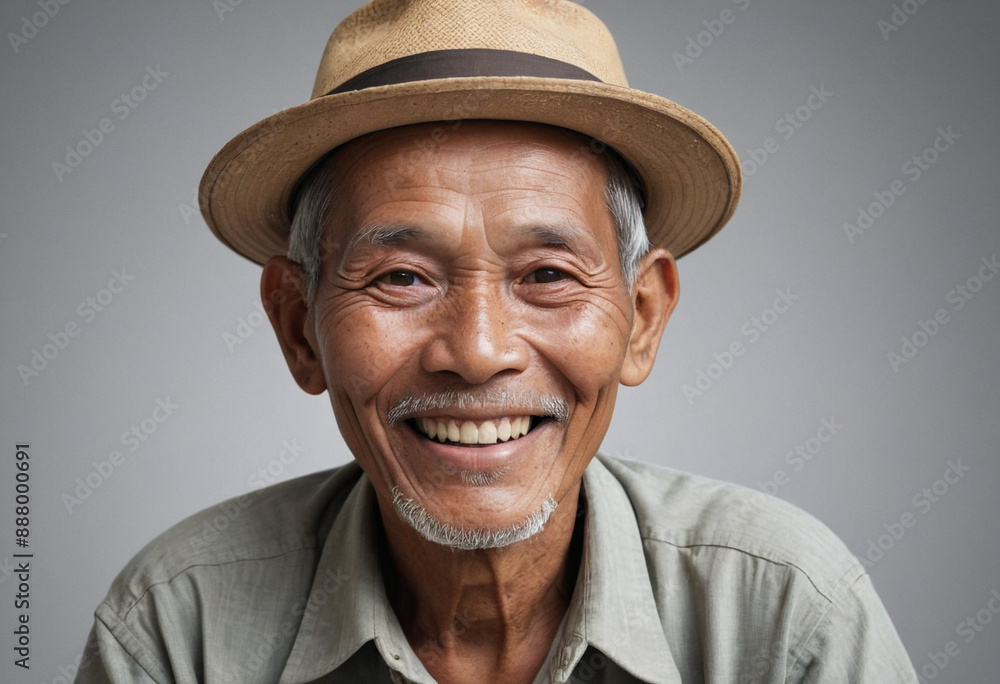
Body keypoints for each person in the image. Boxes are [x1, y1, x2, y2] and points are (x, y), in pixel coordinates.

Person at [77, 1, 919, 682]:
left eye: (547, 275)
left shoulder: (785, 615)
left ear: (644, 316)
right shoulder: (177, 627)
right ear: (299, 326)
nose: (477, 352)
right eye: (402, 277)